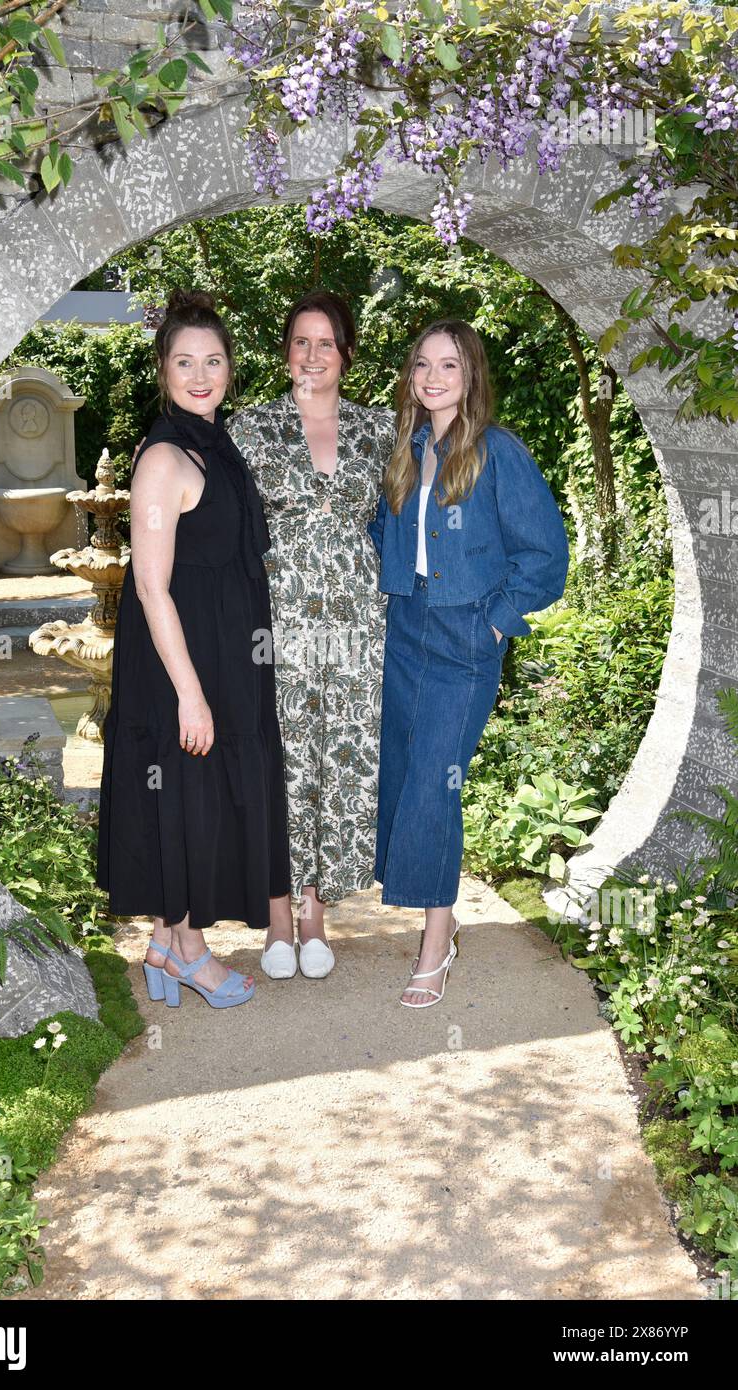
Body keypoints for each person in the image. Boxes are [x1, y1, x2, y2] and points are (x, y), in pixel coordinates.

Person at [95, 289, 291, 1009]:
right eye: (185, 361)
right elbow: (149, 587)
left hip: (224, 654)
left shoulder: (216, 441)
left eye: (213, 360)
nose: (201, 374)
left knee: (192, 795)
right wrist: (190, 691)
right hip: (180, 661)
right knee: (178, 795)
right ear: (162, 368)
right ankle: (189, 953)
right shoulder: (163, 460)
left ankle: (160, 942)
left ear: (230, 368)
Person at [368, 318, 569, 1008]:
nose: (431, 377)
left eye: (447, 366)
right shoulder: (407, 449)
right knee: (401, 772)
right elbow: (382, 531)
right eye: (421, 363)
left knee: (433, 782)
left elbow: (545, 556)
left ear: (471, 375)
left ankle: (434, 946)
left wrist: (493, 622)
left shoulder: (496, 452)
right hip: (406, 629)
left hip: (464, 638)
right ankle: (440, 919)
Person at [227, 291, 395, 981]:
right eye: (301, 341)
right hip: (277, 614)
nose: (312, 355)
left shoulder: (380, 428)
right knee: (280, 756)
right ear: (285, 352)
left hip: (355, 617)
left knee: (339, 754)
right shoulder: (250, 427)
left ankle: (318, 916)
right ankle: (275, 919)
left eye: (326, 342)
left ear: (346, 354)